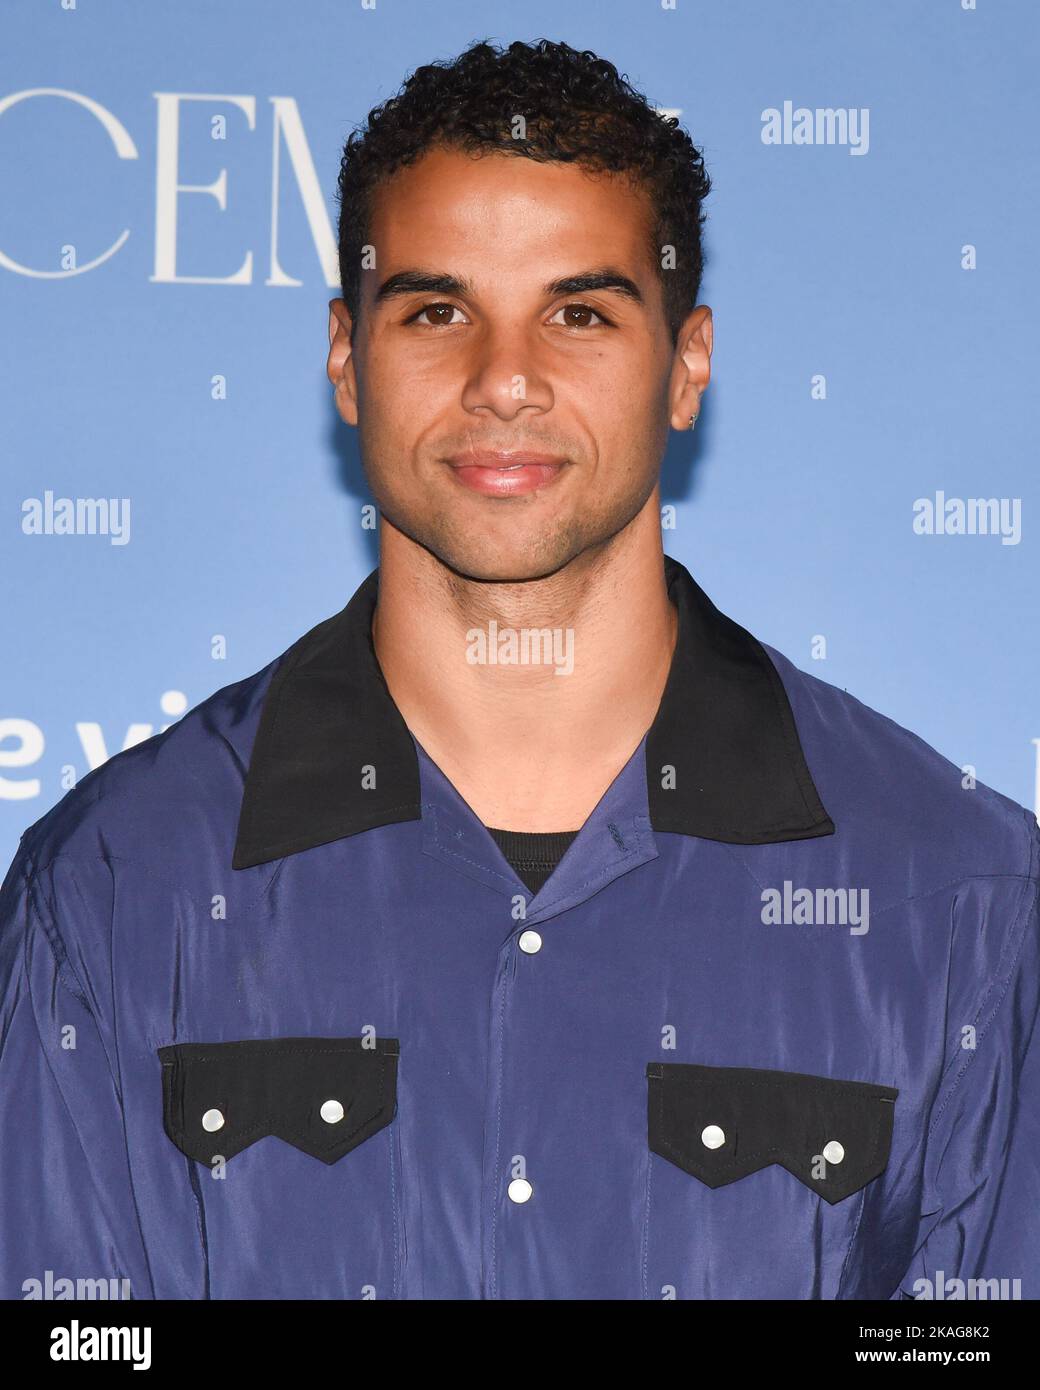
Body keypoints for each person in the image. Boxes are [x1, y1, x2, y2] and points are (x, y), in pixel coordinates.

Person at [2, 37, 1037, 1302]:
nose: (504, 381)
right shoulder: (117, 884)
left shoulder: (958, 894)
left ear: (686, 363)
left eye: (579, 312)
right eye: (437, 311)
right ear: (345, 358)